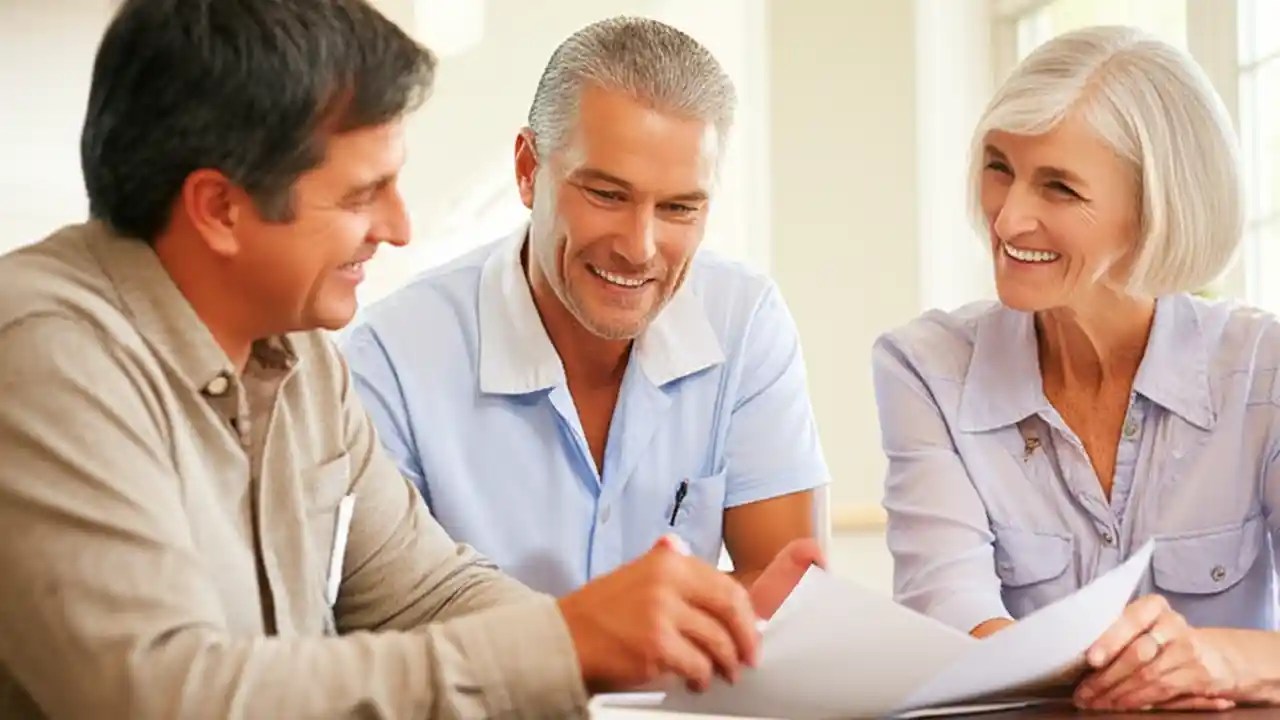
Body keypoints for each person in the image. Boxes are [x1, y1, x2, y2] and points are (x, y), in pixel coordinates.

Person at [0, 2, 777, 717]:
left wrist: (615, 650)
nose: (399, 227)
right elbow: (163, 694)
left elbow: (423, 590)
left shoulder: (300, 357)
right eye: (362, 194)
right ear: (220, 208)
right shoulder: (43, 354)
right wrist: (566, 643)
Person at [341, 16, 828, 613]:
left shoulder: (745, 319)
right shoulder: (390, 356)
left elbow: (786, 591)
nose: (639, 247)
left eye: (678, 207)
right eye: (606, 195)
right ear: (527, 170)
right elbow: (389, 621)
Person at [872, 25, 1280, 713]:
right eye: (999, 167)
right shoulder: (925, 367)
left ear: (1155, 212)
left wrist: (1220, 658)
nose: (1007, 220)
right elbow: (948, 613)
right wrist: (1094, 669)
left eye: (1059, 188)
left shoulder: (1261, 371)